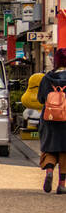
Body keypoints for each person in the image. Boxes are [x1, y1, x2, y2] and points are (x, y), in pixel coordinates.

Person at [36, 50, 66, 194]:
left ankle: (49, 171)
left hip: (49, 118)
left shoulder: (47, 78)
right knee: (64, 151)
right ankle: (61, 184)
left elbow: (41, 98)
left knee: (49, 148)